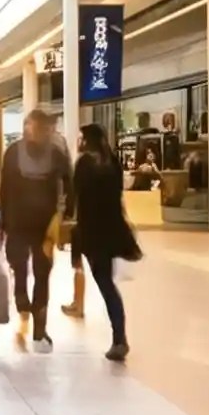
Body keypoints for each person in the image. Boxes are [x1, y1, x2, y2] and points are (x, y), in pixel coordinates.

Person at [0, 109, 70, 353]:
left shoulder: (56, 154)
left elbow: (70, 185)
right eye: (37, 128)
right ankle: (20, 299)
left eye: (46, 129)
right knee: (19, 266)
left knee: (42, 274)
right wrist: (3, 222)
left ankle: (40, 330)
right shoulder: (13, 153)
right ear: (27, 127)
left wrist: (64, 217)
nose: (41, 133)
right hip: (17, 224)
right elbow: (4, 191)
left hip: (44, 229)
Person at [68, 124, 142, 361]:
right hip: (112, 230)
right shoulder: (113, 163)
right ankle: (119, 336)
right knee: (108, 283)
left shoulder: (84, 164)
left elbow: (76, 200)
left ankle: (120, 340)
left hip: (92, 232)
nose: (78, 142)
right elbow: (118, 197)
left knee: (105, 284)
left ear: (86, 140)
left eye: (81, 138)